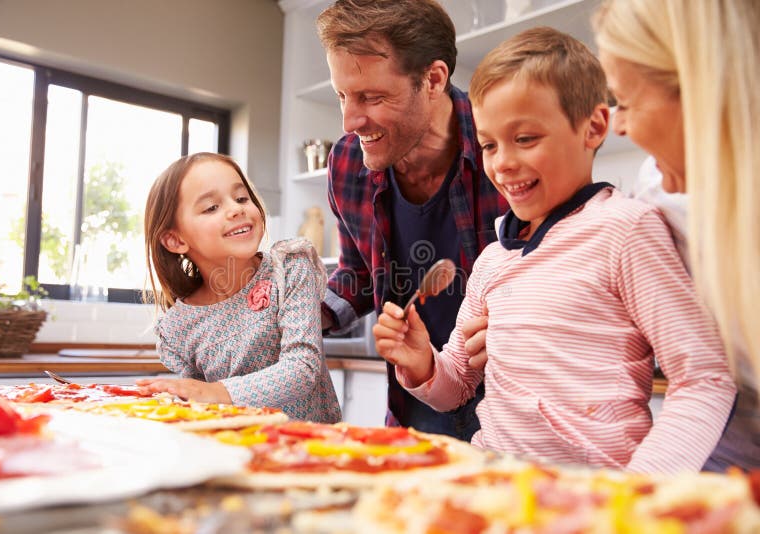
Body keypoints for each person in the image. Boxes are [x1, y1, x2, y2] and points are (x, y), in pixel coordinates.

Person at [373, 27, 736, 473]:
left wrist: (640, 491)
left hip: (597, 496)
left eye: (525, 138)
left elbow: (704, 377)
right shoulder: (493, 260)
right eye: (488, 144)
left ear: (594, 127)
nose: (502, 162)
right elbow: (459, 384)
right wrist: (424, 363)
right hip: (495, 482)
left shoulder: (627, 229)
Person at [315, 0, 508, 440]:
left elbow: (554, 263)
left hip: (509, 408)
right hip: (414, 402)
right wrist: (305, 316)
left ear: (434, 79)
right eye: (342, 95)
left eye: (372, 97)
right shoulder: (347, 162)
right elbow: (359, 276)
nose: (349, 120)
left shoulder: (502, 144)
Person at [593, 0, 760, 471]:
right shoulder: (656, 190)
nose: (617, 125)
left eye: (624, 101)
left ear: (705, 92)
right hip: (726, 444)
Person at [136, 152, 341, 424]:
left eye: (242, 198)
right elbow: (200, 407)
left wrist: (217, 391)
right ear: (175, 240)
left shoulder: (289, 267)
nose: (236, 209)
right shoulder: (179, 325)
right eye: (211, 207)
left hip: (313, 451)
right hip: (235, 455)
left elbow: (301, 369)